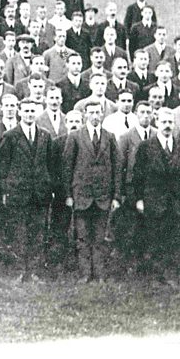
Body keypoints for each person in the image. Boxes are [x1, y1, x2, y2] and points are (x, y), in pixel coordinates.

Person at [63, 101, 122, 283]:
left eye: (98, 112)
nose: (95, 116)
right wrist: (69, 195)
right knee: (82, 237)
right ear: (85, 114)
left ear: (102, 114)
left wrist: (116, 196)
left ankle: (99, 273)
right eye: (91, 113)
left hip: (103, 196)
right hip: (82, 195)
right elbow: (67, 167)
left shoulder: (109, 137)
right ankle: (85, 274)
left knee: (99, 237)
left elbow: (117, 167)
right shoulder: (75, 137)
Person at [0, 98, 52, 282]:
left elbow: (49, 164)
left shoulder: (45, 135)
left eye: (32, 111)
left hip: (39, 194)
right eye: (26, 111)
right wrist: (5, 191)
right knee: (19, 233)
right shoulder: (10, 136)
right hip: (18, 193)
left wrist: (48, 186)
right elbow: (2, 168)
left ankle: (34, 271)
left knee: (38, 233)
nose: (29, 114)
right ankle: (19, 271)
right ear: (19, 112)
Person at [131, 107, 179, 285]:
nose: (167, 126)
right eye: (164, 122)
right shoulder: (145, 146)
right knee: (154, 239)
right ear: (157, 122)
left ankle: (172, 275)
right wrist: (139, 199)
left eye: (170, 122)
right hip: (153, 201)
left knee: (174, 239)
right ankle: (155, 277)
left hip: (175, 202)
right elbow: (138, 176)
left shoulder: (178, 145)